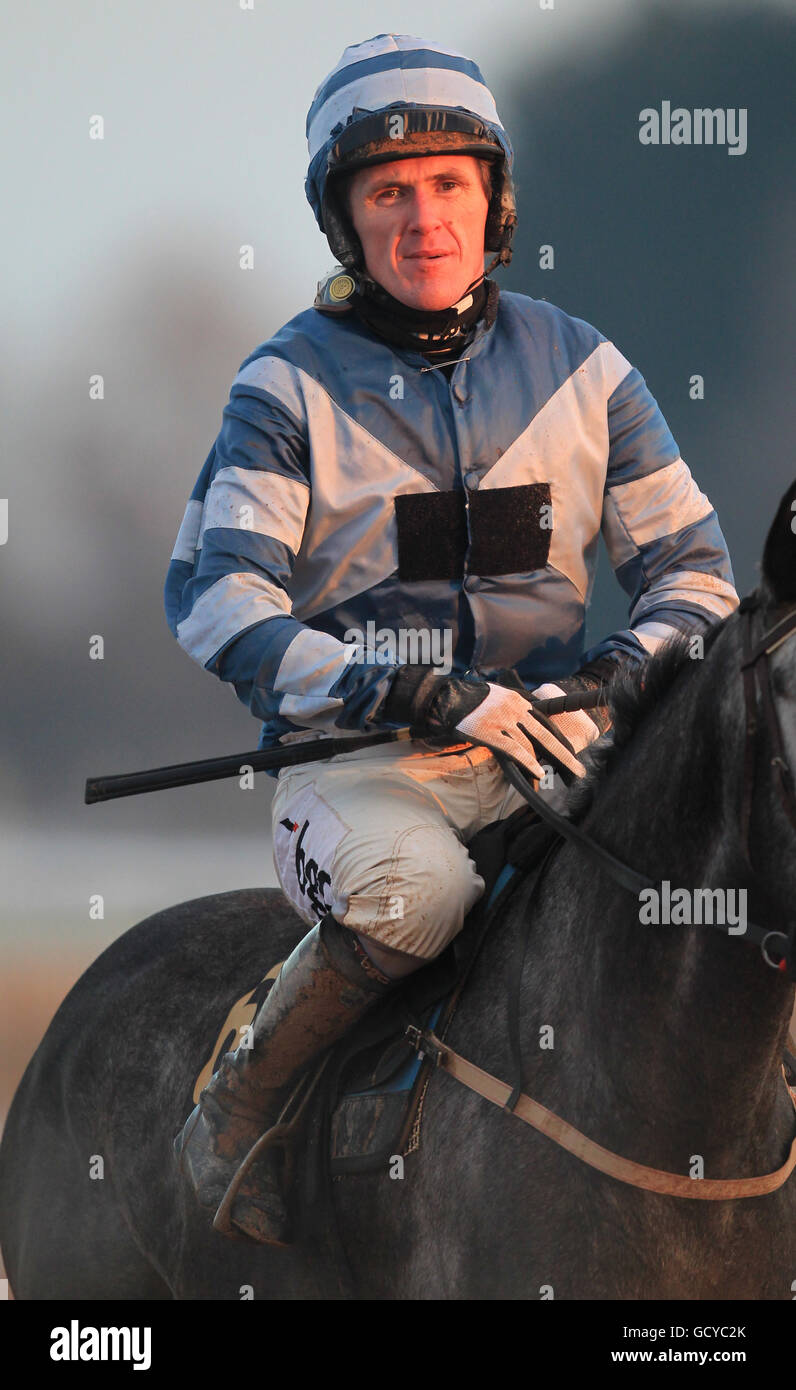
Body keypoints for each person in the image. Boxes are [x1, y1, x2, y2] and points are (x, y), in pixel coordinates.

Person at [166, 33, 739, 1244]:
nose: (423, 221)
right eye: (387, 193)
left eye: (448, 186)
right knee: (417, 899)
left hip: (556, 750)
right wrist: (418, 693)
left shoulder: (588, 368)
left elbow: (696, 574)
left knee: (719, 887)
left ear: (493, 202)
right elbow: (226, 608)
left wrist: (618, 677)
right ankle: (237, 1106)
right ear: (345, 221)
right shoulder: (283, 389)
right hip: (355, 769)